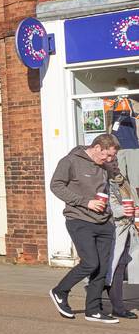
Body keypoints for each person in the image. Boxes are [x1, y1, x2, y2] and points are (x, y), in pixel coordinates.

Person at [50, 133, 121, 322]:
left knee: (102, 267)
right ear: (97, 147)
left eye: (112, 157)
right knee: (90, 262)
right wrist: (84, 202)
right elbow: (56, 185)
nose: (108, 159)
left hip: (104, 221)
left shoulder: (105, 165)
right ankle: (60, 291)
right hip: (79, 219)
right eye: (107, 155)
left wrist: (114, 168)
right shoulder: (71, 161)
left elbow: (118, 182)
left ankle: (93, 310)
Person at [105, 165, 139, 320]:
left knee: (122, 265)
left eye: (116, 161)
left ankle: (117, 306)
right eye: (111, 161)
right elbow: (107, 207)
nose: (115, 166)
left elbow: (134, 202)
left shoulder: (124, 182)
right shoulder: (104, 181)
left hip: (128, 231)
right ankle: (116, 307)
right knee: (114, 268)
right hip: (115, 231)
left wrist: (136, 211)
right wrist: (122, 211)